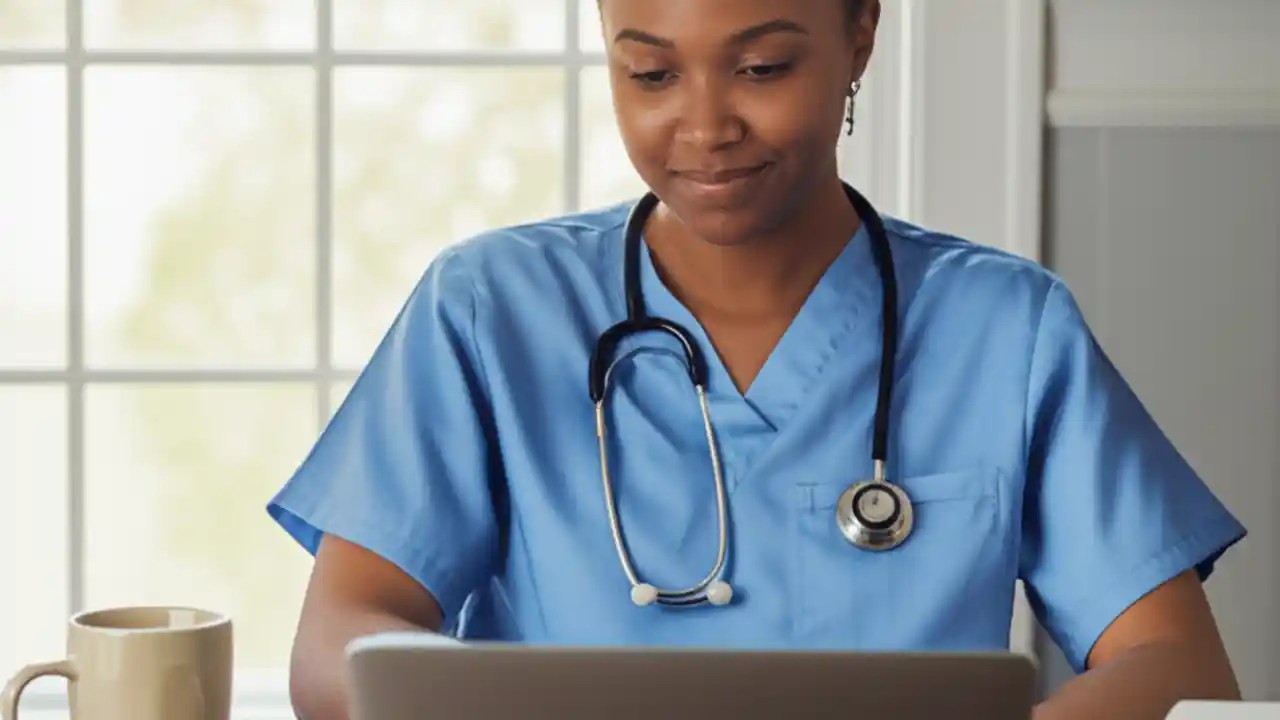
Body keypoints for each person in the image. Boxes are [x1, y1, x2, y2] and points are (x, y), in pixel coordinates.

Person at [267, 1, 1247, 718]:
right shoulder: (486, 309)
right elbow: (339, 636)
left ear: (858, 35)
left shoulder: (1007, 328)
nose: (701, 127)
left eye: (761, 68)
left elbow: (1176, 669)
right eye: (650, 76)